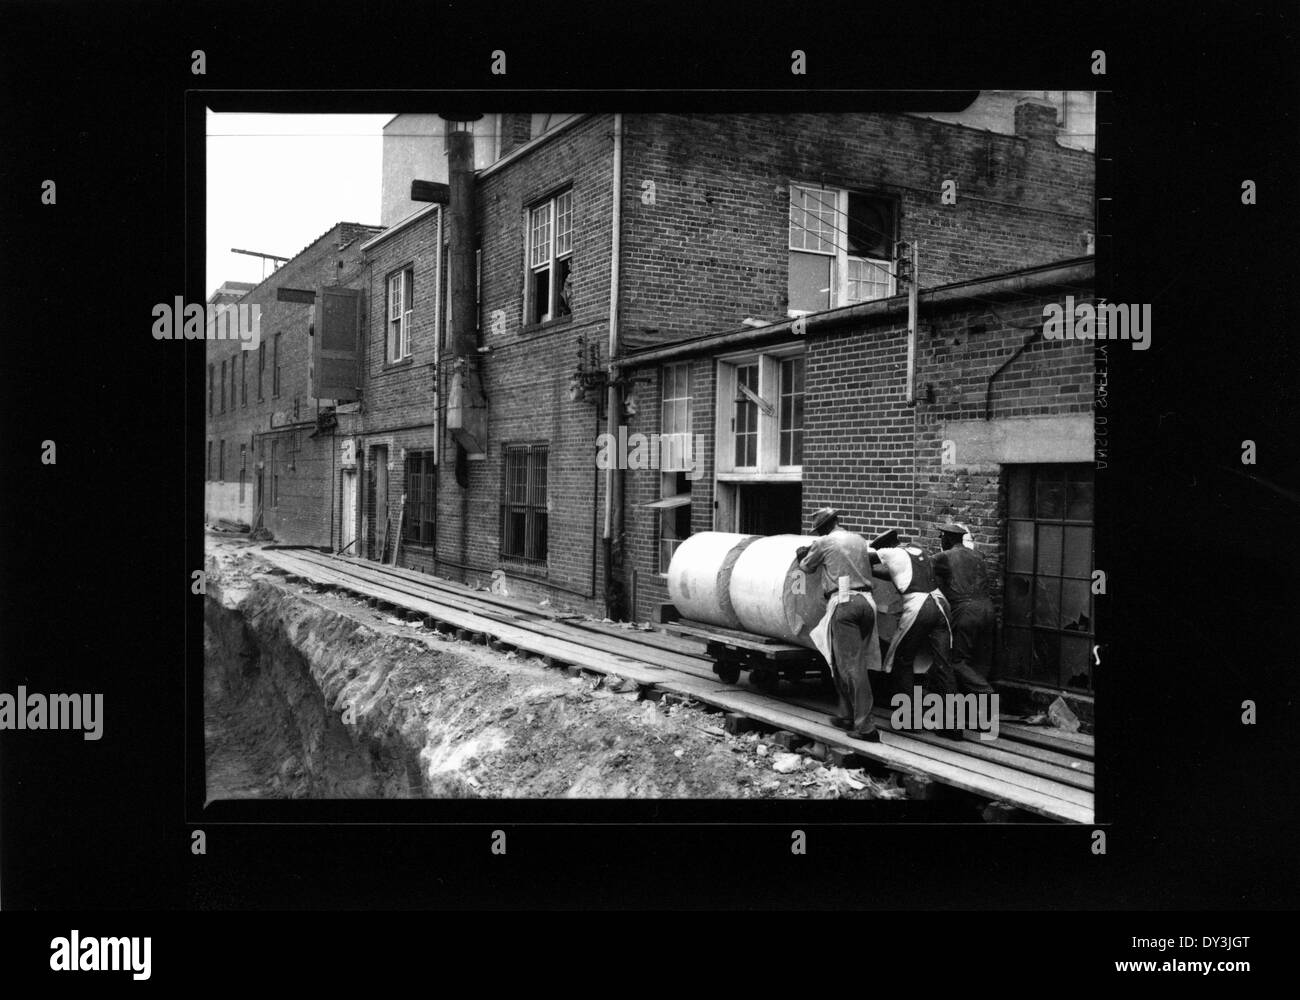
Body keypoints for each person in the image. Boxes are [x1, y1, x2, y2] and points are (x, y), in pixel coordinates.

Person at [796, 507, 881, 742]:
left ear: (823, 527)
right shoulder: (859, 539)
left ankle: (865, 727)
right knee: (843, 660)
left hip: (844, 603)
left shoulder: (823, 542)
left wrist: (801, 554)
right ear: (837, 521)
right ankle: (846, 714)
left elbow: (805, 567)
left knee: (851, 666)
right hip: (867, 602)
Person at [869, 531, 961, 736]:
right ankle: (953, 725)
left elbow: (864, 558)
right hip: (940, 603)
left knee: (902, 660)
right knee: (944, 664)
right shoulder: (918, 549)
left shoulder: (889, 553)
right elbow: (894, 574)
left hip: (919, 606)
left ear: (885, 546)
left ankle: (909, 719)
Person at [932, 523, 996, 695]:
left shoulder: (943, 557)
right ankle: (979, 707)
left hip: (965, 611)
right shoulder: (979, 555)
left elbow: (928, 579)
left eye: (942, 537)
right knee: (978, 660)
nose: (941, 540)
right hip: (988, 608)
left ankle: (986, 693)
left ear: (948, 538)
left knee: (956, 660)